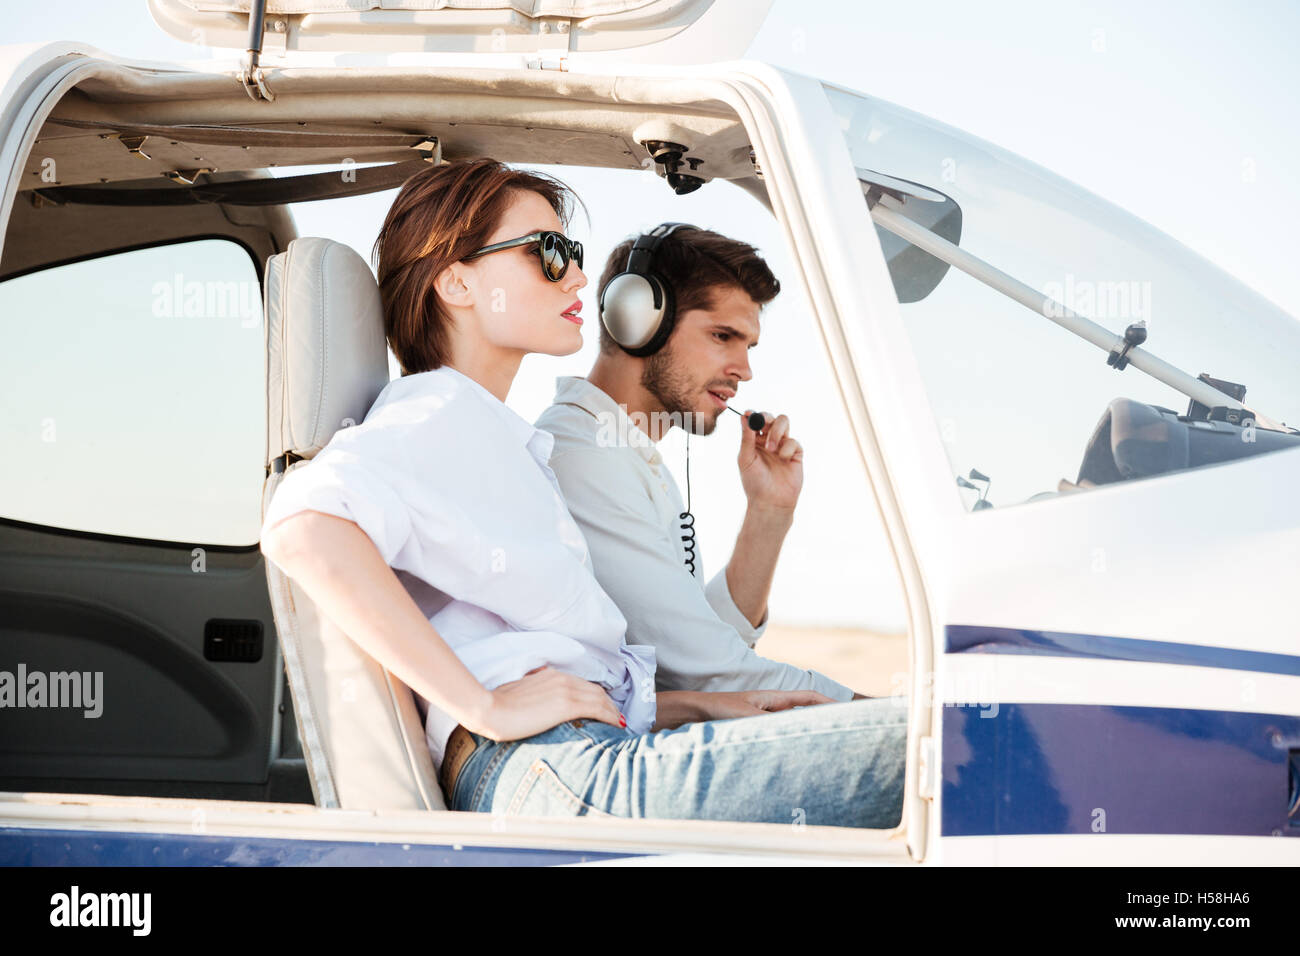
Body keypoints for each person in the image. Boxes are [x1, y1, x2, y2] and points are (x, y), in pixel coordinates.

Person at [259, 158, 906, 828]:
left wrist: (696, 708)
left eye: (573, 252)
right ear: (457, 281)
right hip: (545, 764)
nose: (576, 275)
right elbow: (303, 526)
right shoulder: (439, 409)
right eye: (548, 252)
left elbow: (563, 663)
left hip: (573, 752)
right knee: (938, 753)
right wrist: (484, 708)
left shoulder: (495, 439)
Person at [536, 224, 867, 701]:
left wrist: (769, 513)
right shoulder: (586, 458)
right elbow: (708, 674)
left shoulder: (627, 454)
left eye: (747, 346)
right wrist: (890, 718)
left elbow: (703, 644)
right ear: (636, 318)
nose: (744, 370)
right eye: (722, 336)